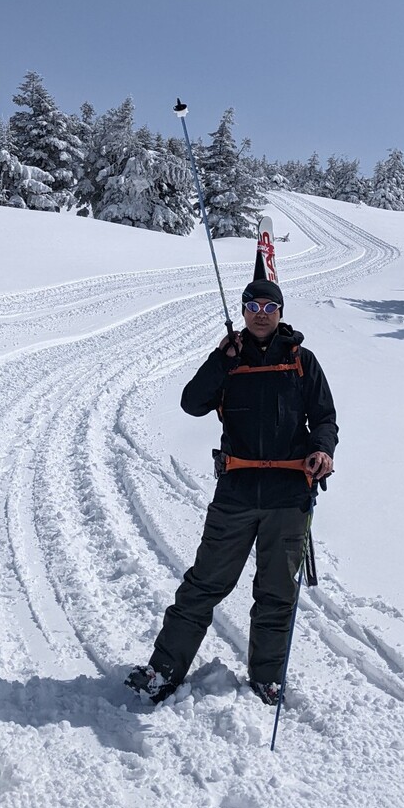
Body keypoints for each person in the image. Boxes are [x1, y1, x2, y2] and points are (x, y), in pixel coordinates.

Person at [127, 278, 337, 705]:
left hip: (289, 496)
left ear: (280, 312)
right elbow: (191, 403)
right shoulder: (229, 358)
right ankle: (164, 670)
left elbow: (325, 419)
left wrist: (323, 451)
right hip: (236, 494)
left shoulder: (302, 362)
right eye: (253, 306)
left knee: (277, 592)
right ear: (242, 311)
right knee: (204, 584)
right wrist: (220, 362)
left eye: (269, 306)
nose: (261, 313)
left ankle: (267, 679)